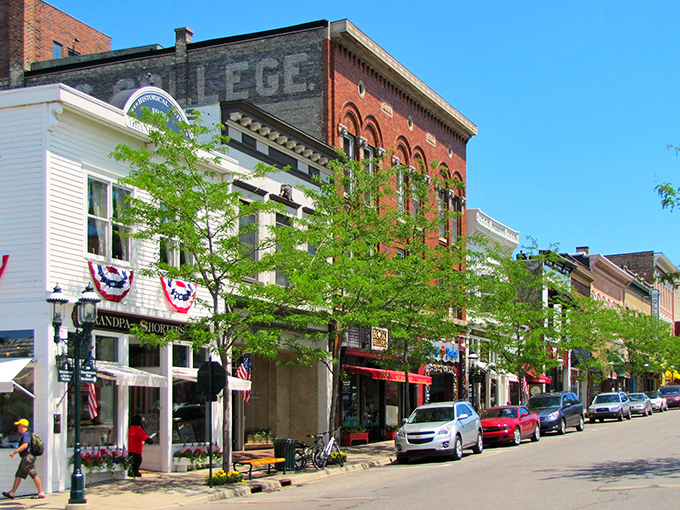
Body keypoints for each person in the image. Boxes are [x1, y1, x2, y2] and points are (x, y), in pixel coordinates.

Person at [2, 419, 45, 499]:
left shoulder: (26, 435)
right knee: (18, 475)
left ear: (22, 426)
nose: (17, 427)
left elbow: (25, 445)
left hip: (27, 458)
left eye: (18, 425)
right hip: (25, 458)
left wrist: (14, 452)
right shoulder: (26, 434)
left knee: (33, 474)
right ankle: (12, 493)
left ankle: (41, 492)